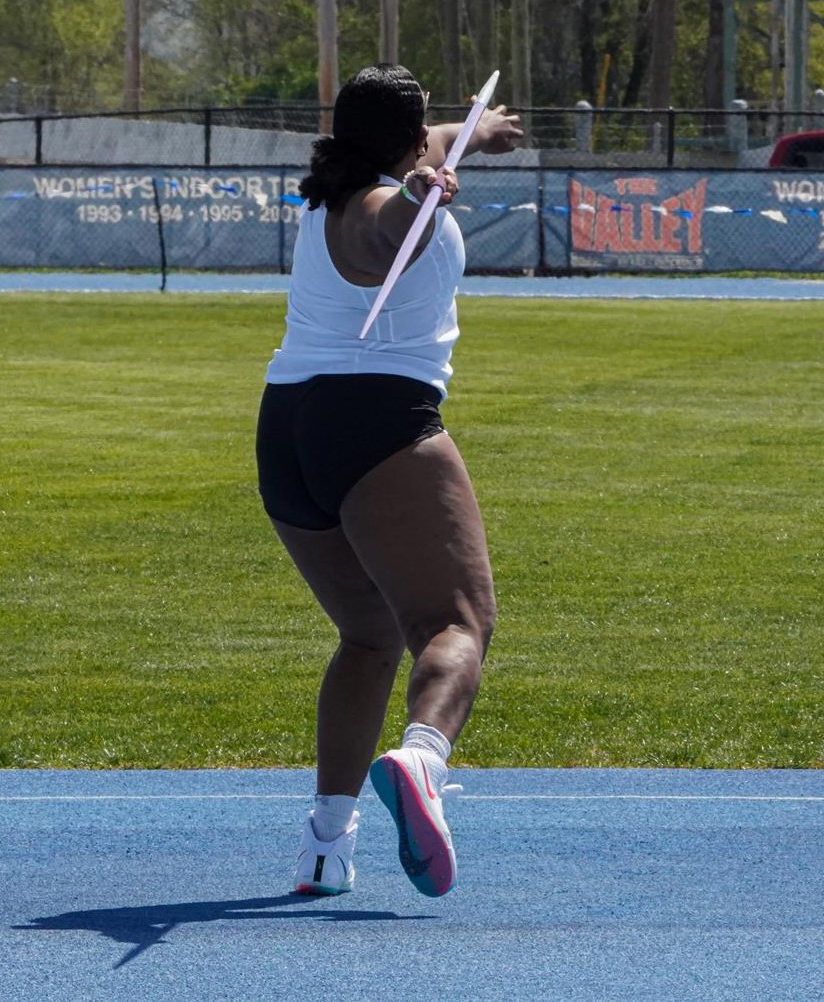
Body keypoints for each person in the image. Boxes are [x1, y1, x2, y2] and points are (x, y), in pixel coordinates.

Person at [258, 64, 522, 898]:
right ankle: (421, 760)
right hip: (377, 423)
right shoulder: (378, 205)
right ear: (407, 148)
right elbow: (383, 230)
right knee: (456, 623)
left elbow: (433, 142)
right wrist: (417, 198)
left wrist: (473, 134)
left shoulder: (335, 179)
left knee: (369, 636)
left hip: (288, 430)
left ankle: (325, 846)